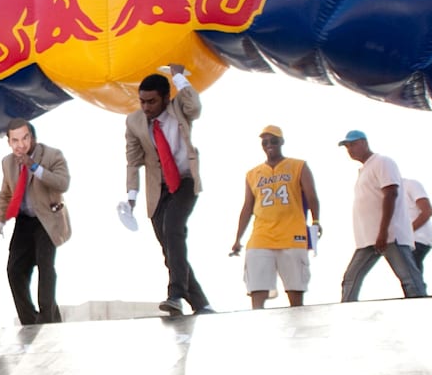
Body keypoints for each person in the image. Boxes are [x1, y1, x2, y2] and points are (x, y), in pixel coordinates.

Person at [124, 64, 212, 316]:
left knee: (174, 229)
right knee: (169, 247)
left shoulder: (179, 110)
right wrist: (131, 197)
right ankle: (201, 304)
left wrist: (179, 77)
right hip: (158, 187)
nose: (146, 107)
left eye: (151, 102)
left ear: (165, 98)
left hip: (185, 181)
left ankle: (174, 294)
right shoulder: (134, 122)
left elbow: (195, 106)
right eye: (142, 101)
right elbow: (132, 160)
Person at [231, 126, 322, 308]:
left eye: (273, 141)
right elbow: (247, 206)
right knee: (257, 289)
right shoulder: (253, 174)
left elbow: (312, 195)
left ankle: (298, 329)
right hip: (261, 237)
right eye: (265, 142)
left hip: (292, 236)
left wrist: (316, 221)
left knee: (295, 292)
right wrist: (237, 238)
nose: (269, 145)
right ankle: (258, 327)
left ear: (281, 142)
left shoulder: (298, 166)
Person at [0, 118, 71, 325]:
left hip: (47, 219)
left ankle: (47, 319)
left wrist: (35, 168)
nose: (21, 145)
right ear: (9, 142)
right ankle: (30, 321)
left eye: (25, 138)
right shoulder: (7, 162)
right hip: (24, 221)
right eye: (15, 140)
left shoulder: (52, 155)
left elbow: (63, 183)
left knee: (45, 266)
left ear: (33, 138)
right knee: (14, 270)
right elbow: (6, 194)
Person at [337, 130, 426, 301]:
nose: (350, 149)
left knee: (409, 279)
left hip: (390, 235)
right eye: (347, 146)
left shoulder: (382, 162)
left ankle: (421, 312)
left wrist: (383, 231)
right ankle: (347, 314)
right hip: (368, 238)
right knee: (351, 278)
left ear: (364, 142)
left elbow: (390, 193)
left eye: (353, 144)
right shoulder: (364, 169)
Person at [403, 178, 432, 278]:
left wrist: (407, 232)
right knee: (411, 277)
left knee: (412, 277)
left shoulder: (409, 184)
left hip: (417, 239)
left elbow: (427, 211)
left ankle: (419, 293)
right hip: (404, 240)